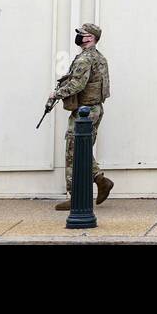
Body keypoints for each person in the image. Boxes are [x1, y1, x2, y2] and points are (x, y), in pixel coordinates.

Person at [46, 22, 113, 211]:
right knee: (82, 150)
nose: (79, 37)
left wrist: (56, 94)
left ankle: (77, 196)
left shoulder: (85, 59)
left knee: (73, 151)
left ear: (90, 37)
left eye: (82, 34)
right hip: (94, 109)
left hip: (85, 111)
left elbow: (77, 84)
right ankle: (100, 182)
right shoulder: (99, 58)